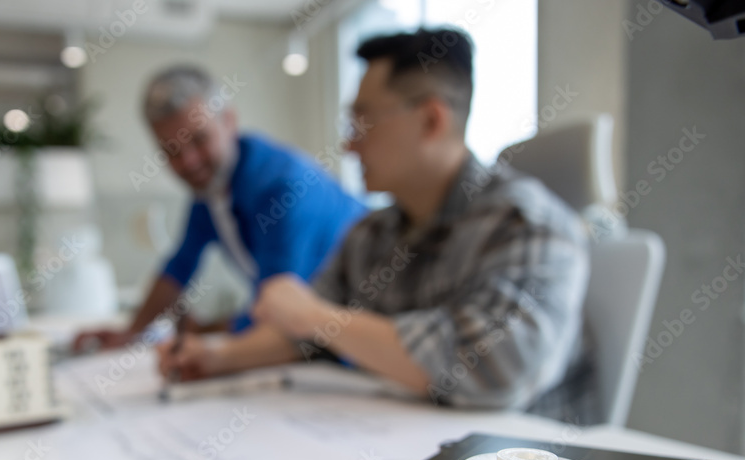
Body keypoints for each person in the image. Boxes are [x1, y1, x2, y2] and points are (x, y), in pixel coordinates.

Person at [158, 29, 600, 425]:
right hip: (413, 447)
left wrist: (315, 315)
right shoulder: (372, 233)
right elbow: (308, 338)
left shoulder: (527, 225)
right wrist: (219, 358)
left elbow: (491, 369)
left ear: (431, 119)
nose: (349, 144)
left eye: (362, 121)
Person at [73, 65, 367, 351]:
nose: (189, 161)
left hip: (362, 339)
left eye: (199, 139)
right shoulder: (211, 191)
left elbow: (276, 311)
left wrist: (206, 334)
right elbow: (178, 268)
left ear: (229, 120)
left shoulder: (284, 189)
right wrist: (131, 332)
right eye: (172, 151)